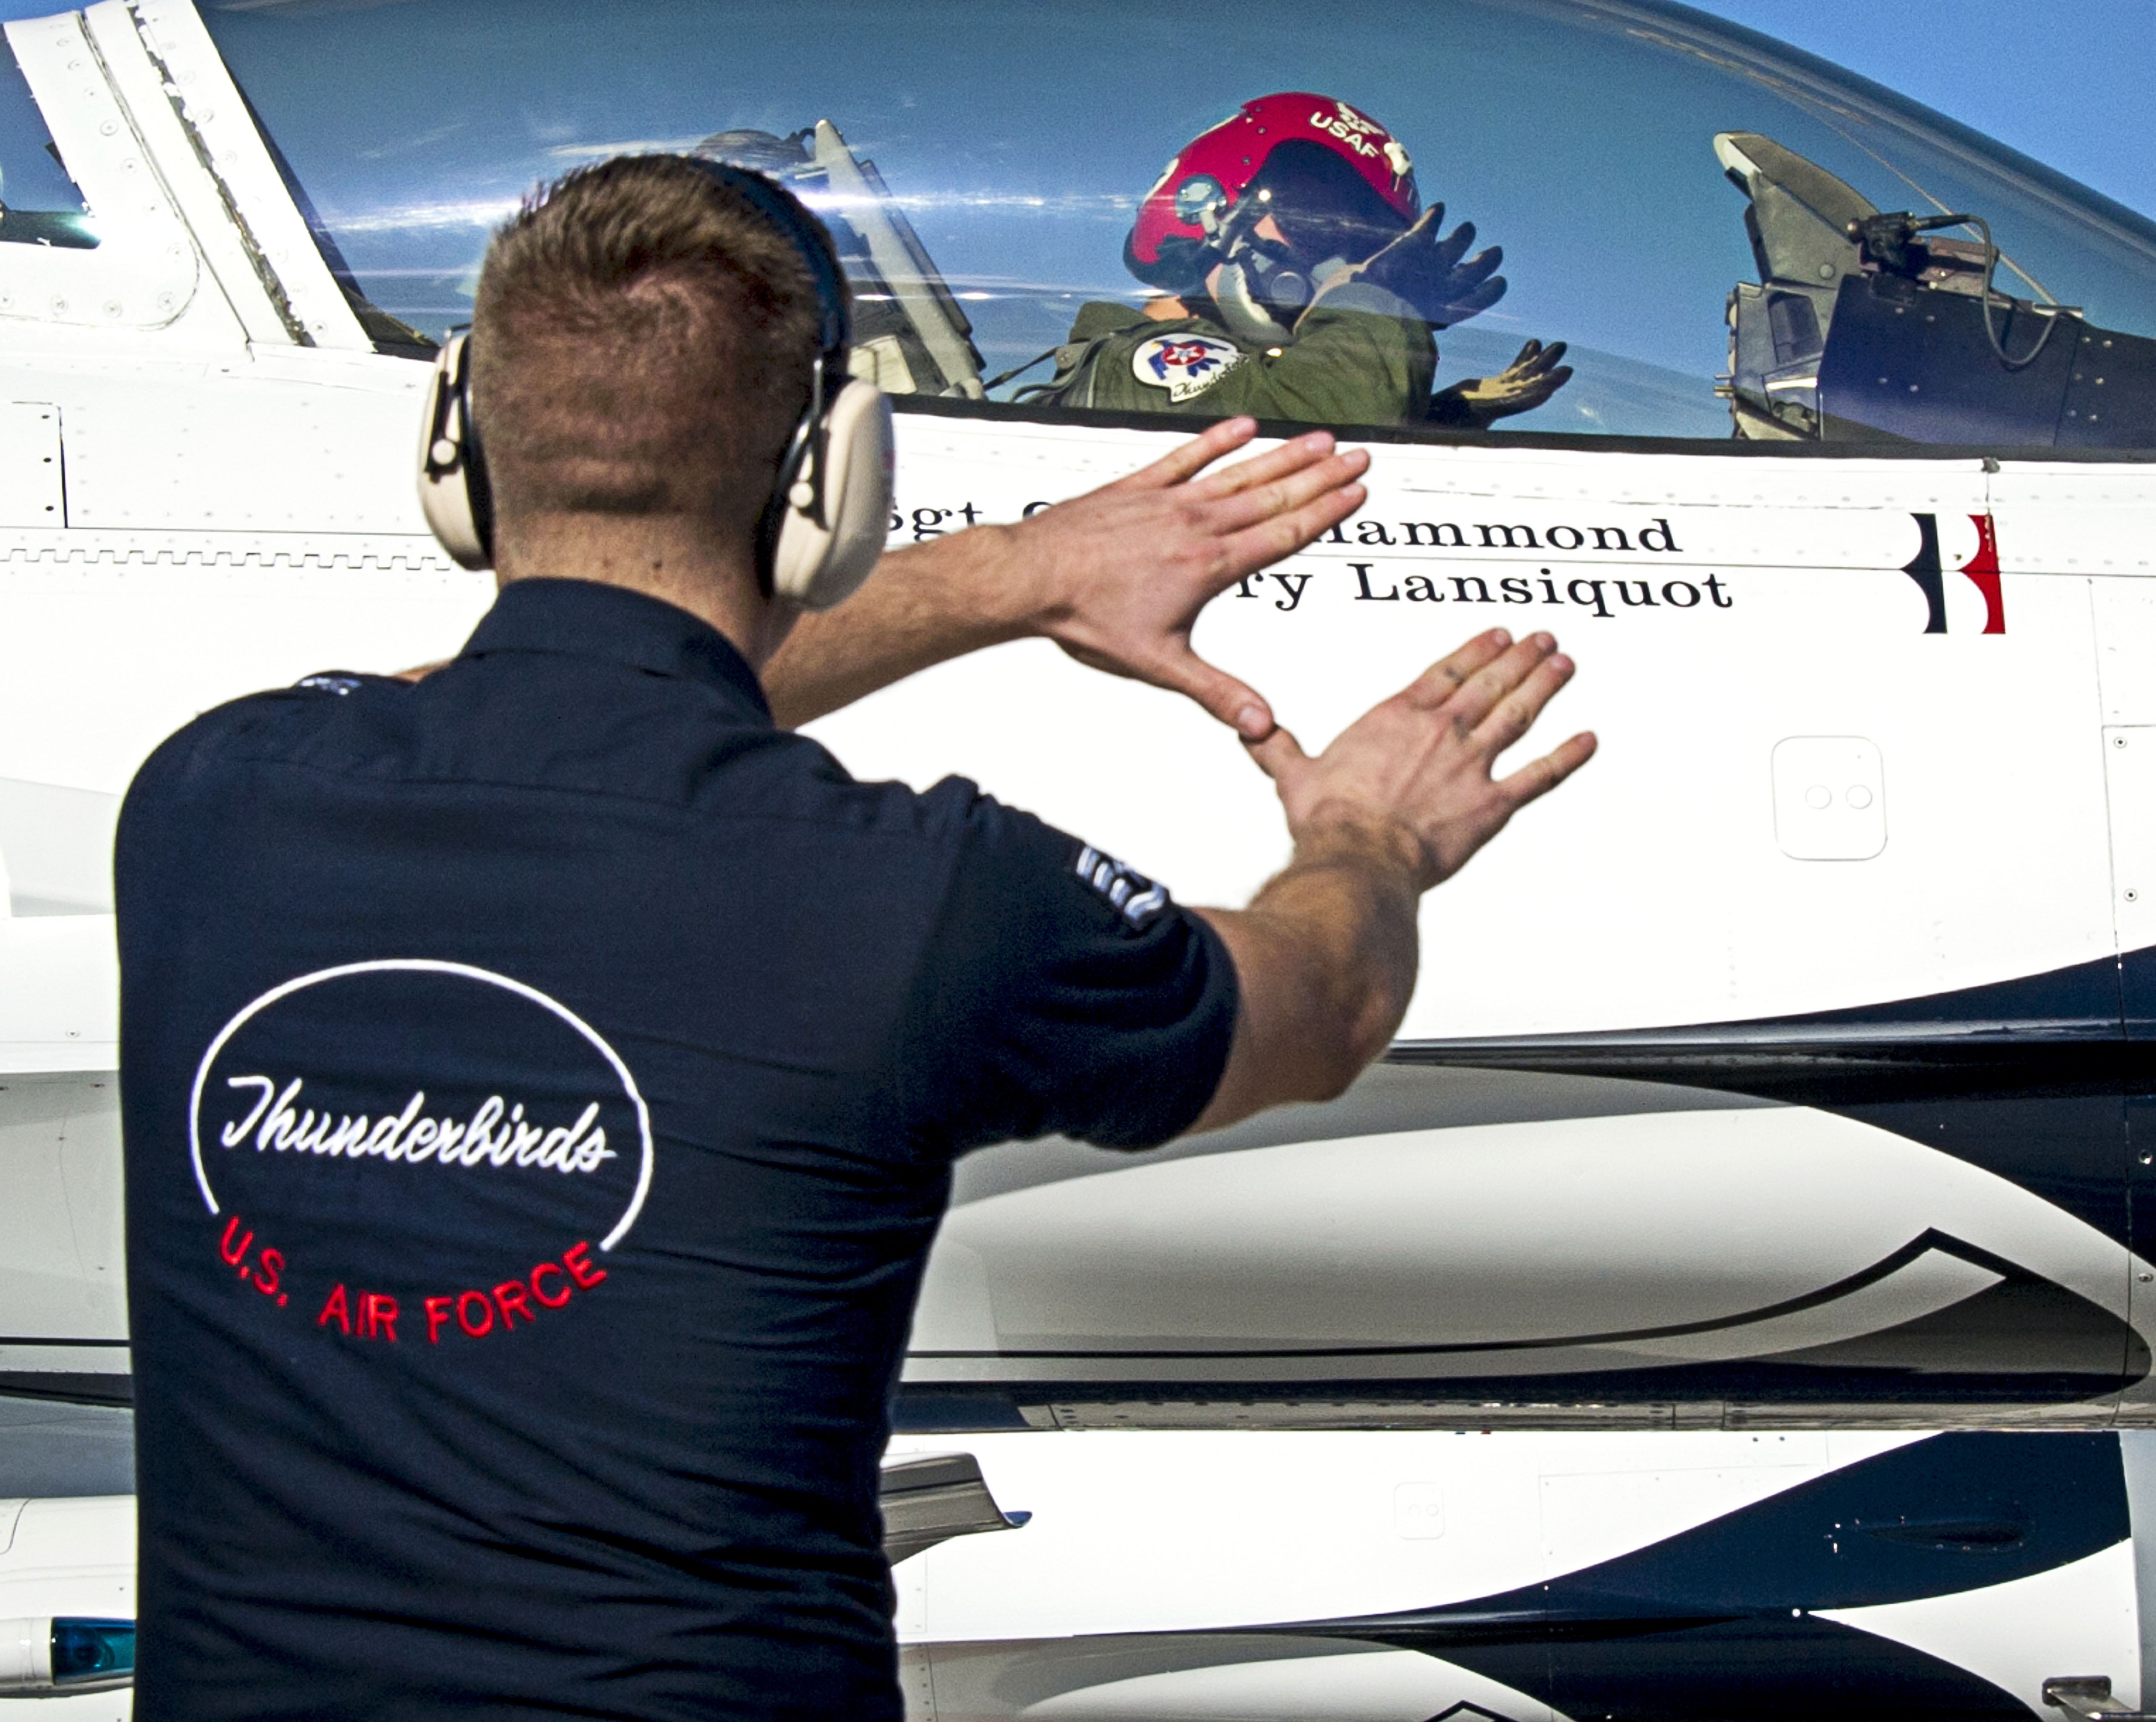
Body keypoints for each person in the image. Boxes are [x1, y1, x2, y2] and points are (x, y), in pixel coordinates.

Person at [114, 154, 1593, 1722]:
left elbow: (525, 705)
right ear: (835, 473)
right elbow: (1325, 1002)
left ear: (455, 444)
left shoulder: (213, 800)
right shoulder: (935, 899)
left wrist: (1013, 572)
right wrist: (1370, 835)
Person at [1015, 92, 1572, 430]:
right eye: (1313, 216)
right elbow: (1316, 444)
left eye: (1363, 247)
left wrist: (1451, 414)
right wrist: (1372, 309)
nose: (1340, 262)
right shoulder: (1135, 364)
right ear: (1211, 209)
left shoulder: (1244, 384)